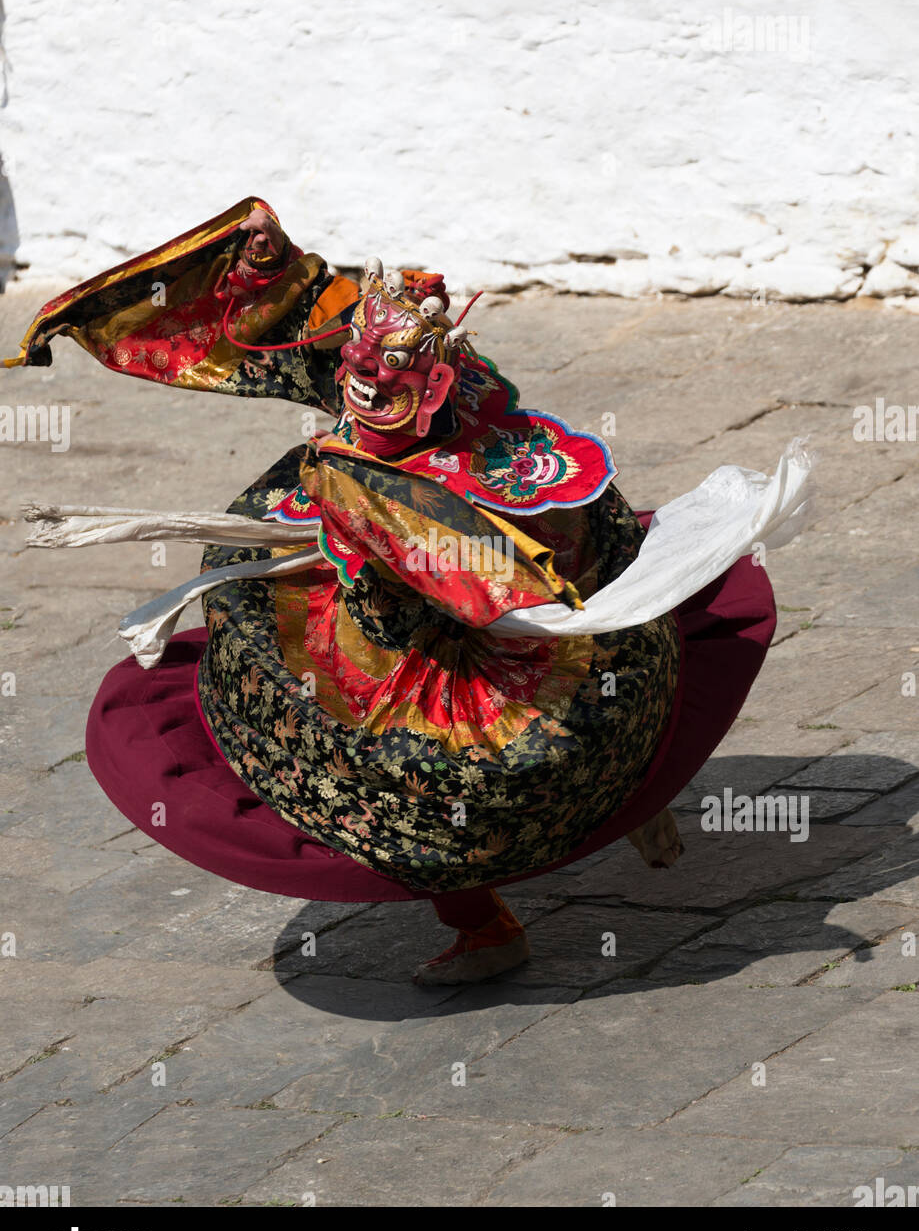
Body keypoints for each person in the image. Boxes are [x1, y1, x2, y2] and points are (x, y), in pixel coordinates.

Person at [6, 198, 809, 985]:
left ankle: (502, 909)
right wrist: (263, 256)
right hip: (435, 613)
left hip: (510, 677)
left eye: (382, 379)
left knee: (401, 777)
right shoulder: (389, 392)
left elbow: (568, 560)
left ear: (434, 389)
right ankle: (611, 812)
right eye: (354, 369)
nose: (356, 389)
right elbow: (300, 323)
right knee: (276, 654)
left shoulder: (489, 467)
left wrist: (370, 552)